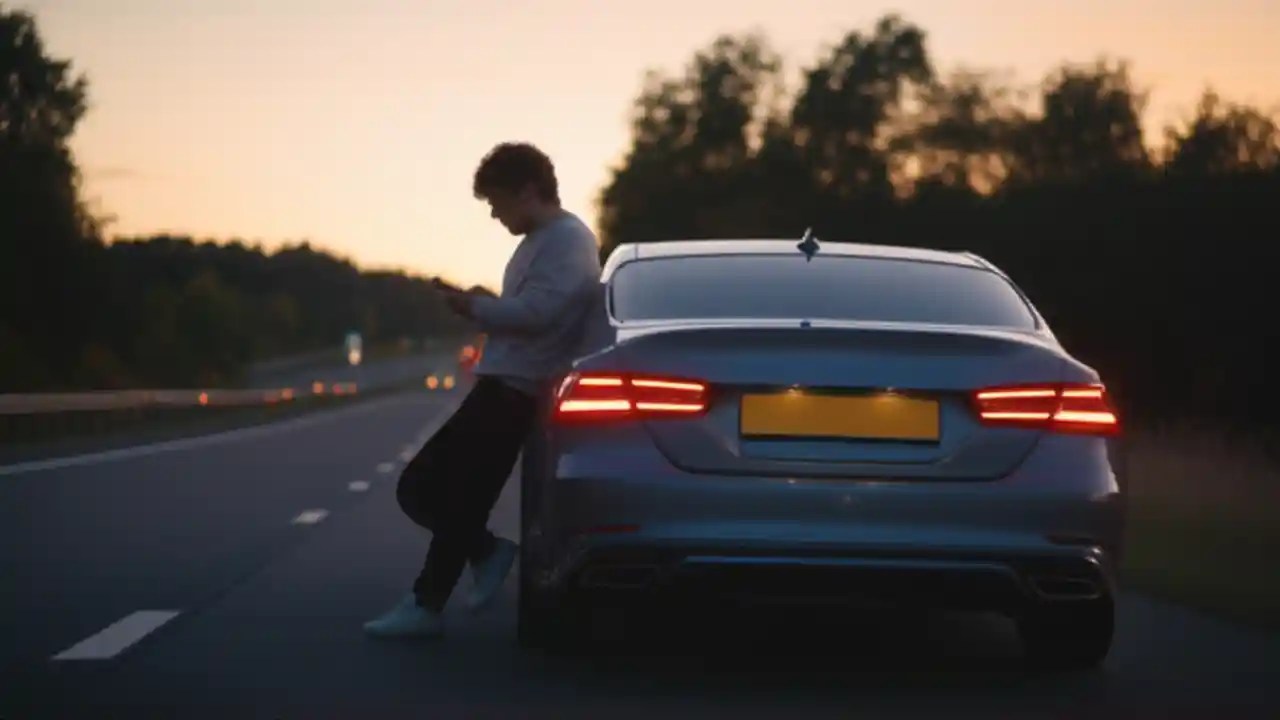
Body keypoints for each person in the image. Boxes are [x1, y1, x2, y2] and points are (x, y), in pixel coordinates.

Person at [364, 142, 603, 639]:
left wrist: (475, 309)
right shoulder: (545, 239)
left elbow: (540, 315)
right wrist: (481, 303)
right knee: (457, 499)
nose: (494, 215)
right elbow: (534, 308)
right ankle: (429, 601)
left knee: (423, 488)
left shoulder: (566, 240)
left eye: (497, 202)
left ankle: (474, 564)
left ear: (529, 190)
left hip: (516, 389)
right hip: (507, 382)